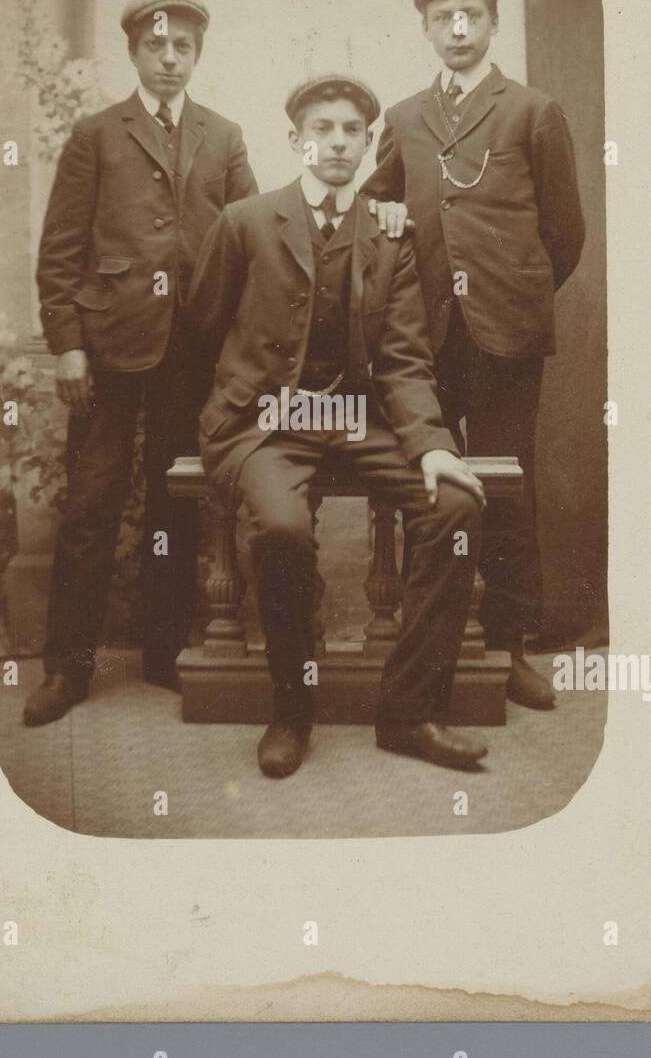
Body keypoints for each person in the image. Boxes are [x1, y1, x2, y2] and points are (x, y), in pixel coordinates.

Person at [187, 74, 488, 778]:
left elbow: (406, 356)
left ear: (367, 142)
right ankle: (293, 709)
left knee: (457, 506)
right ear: (296, 141)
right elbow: (202, 325)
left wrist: (435, 447)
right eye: (322, 128)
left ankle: (410, 710)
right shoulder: (247, 222)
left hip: (354, 417)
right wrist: (237, 408)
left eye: (352, 130)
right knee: (284, 530)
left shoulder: (388, 232)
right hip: (267, 422)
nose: (337, 142)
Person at [27, 0, 257, 726]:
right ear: (135, 52)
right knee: (91, 506)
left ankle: (164, 654)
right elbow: (60, 250)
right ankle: (67, 668)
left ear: (196, 54)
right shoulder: (97, 135)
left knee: (175, 507)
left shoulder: (223, 137)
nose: (167, 58)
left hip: (190, 354)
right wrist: (67, 345)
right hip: (106, 349)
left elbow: (252, 240)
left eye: (181, 47)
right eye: (155, 46)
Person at [362, 0, 585, 710]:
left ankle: (510, 644)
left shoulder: (532, 110)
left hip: (504, 335)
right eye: (444, 17)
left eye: (471, 14)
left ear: (492, 24)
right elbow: (372, 209)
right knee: (431, 483)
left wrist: (511, 294)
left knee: (505, 486)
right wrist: (386, 221)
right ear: (427, 29)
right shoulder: (402, 116)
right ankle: (432, 643)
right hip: (426, 337)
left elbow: (564, 234)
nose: (458, 28)